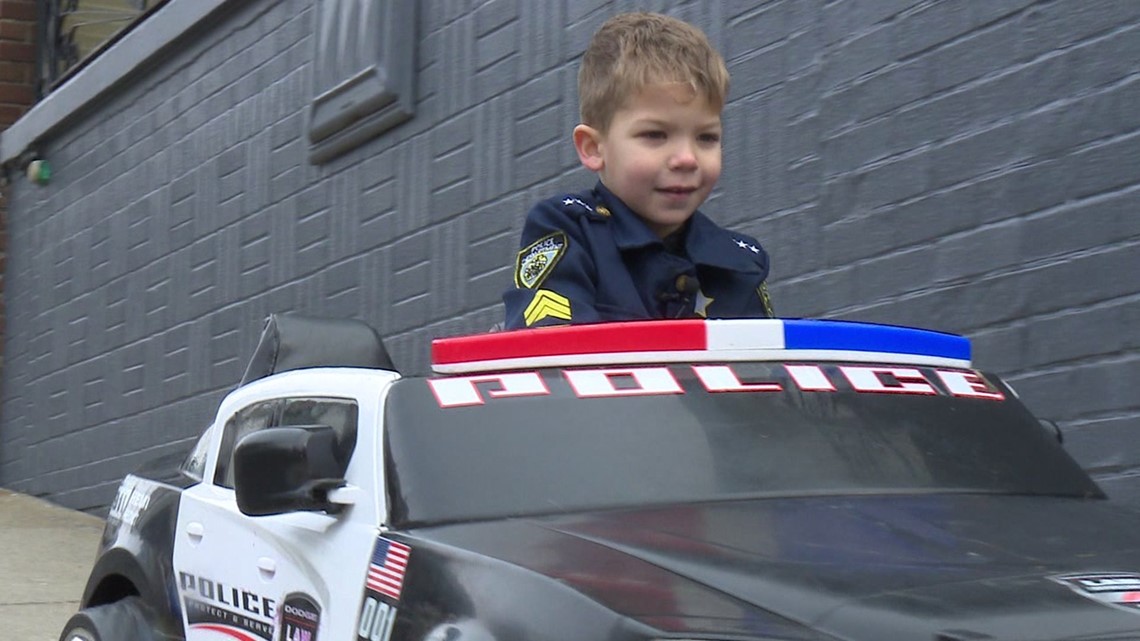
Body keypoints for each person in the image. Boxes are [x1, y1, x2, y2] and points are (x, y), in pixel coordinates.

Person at [502, 11, 775, 330]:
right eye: (655, 135)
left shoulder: (741, 262)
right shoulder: (566, 230)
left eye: (706, 137)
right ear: (593, 148)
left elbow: (765, 370)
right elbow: (553, 349)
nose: (687, 158)